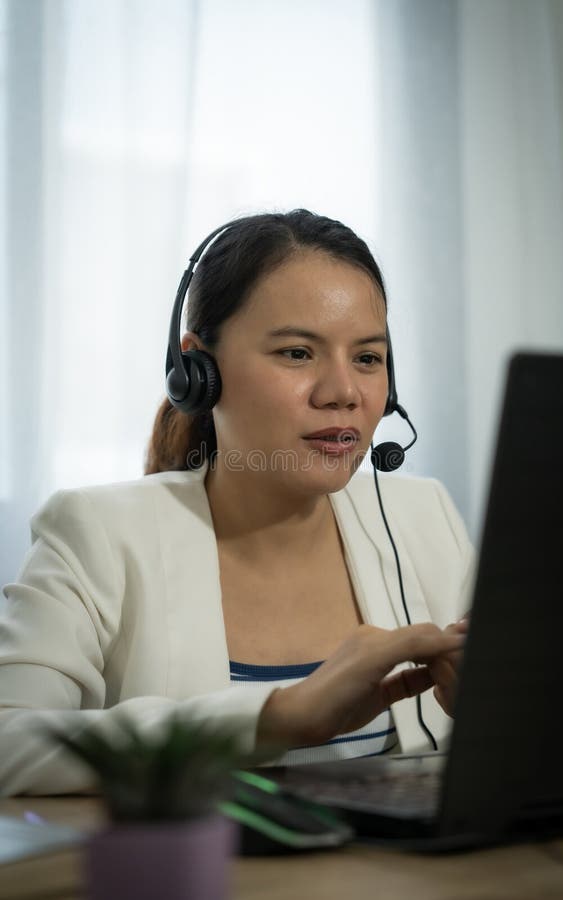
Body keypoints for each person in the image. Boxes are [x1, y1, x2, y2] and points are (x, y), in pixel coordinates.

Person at [0, 210, 473, 796]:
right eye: (298, 353)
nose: (344, 393)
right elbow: (8, 743)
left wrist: (497, 717)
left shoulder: (425, 518)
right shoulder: (97, 533)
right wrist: (273, 718)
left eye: (368, 358)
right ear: (198, 370)